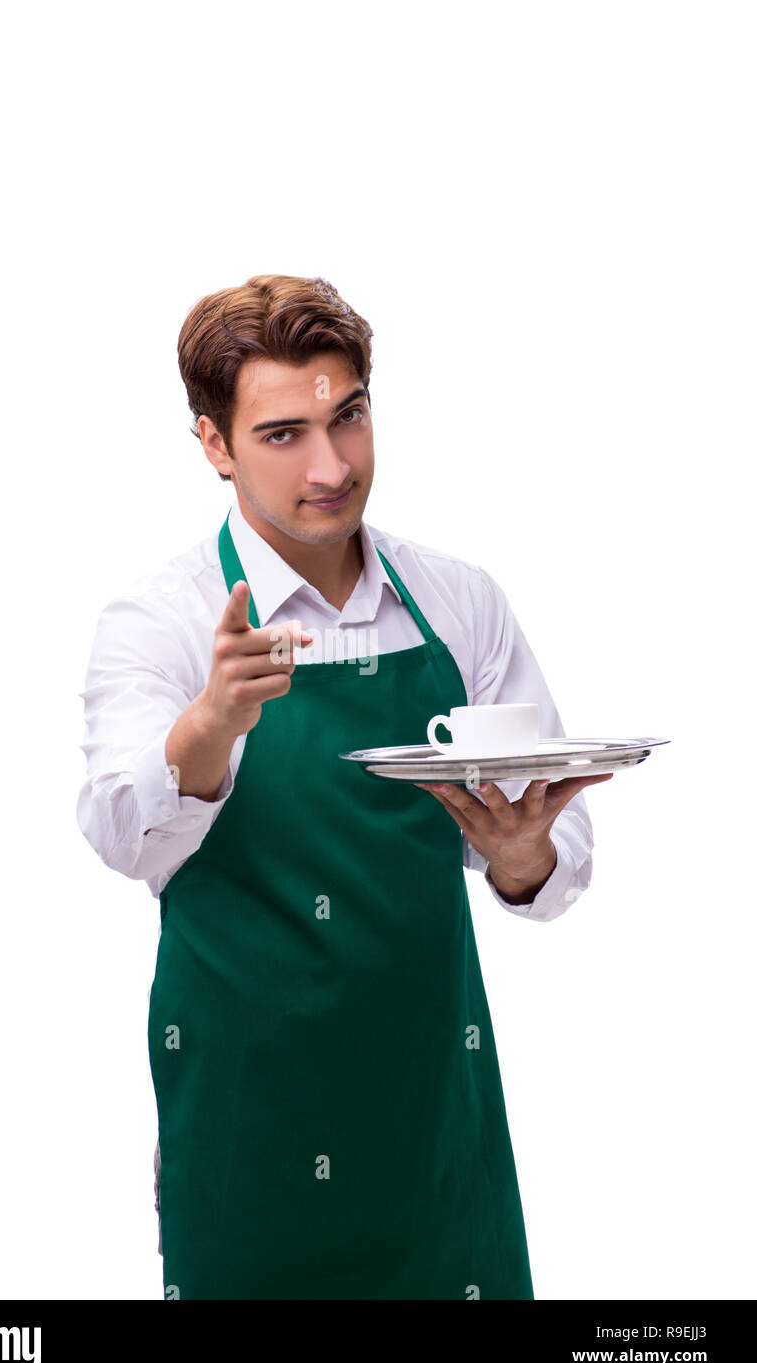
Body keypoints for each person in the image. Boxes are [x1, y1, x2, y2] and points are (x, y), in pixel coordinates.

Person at [76, 274, 613, 1300]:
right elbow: (120, 835)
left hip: (437, 1129)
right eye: (283, 435)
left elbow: (556, 851)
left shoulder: (457, 602)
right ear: (213, 444)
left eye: (349, 417)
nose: (332, 467)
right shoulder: (163, 621)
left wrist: (520, 856)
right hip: (246, 1134)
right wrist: (209, 725)